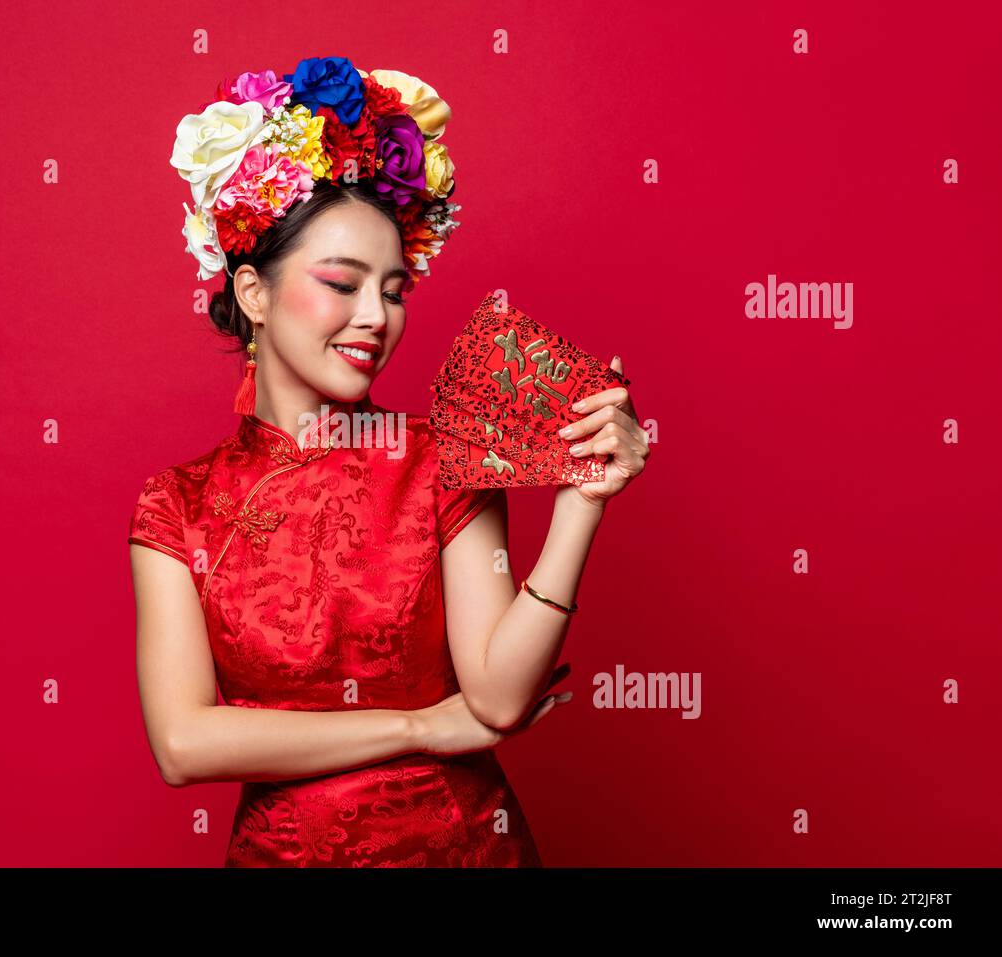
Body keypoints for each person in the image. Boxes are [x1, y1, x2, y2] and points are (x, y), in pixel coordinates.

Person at [129, 58, 650, 866]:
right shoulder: (178, 504)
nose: (375, 317)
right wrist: (418, 727)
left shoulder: (443, 456)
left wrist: (584, 501)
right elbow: (183, 741)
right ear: (254, 294)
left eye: (396, 289)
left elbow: (501, 695)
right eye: (342, 283)